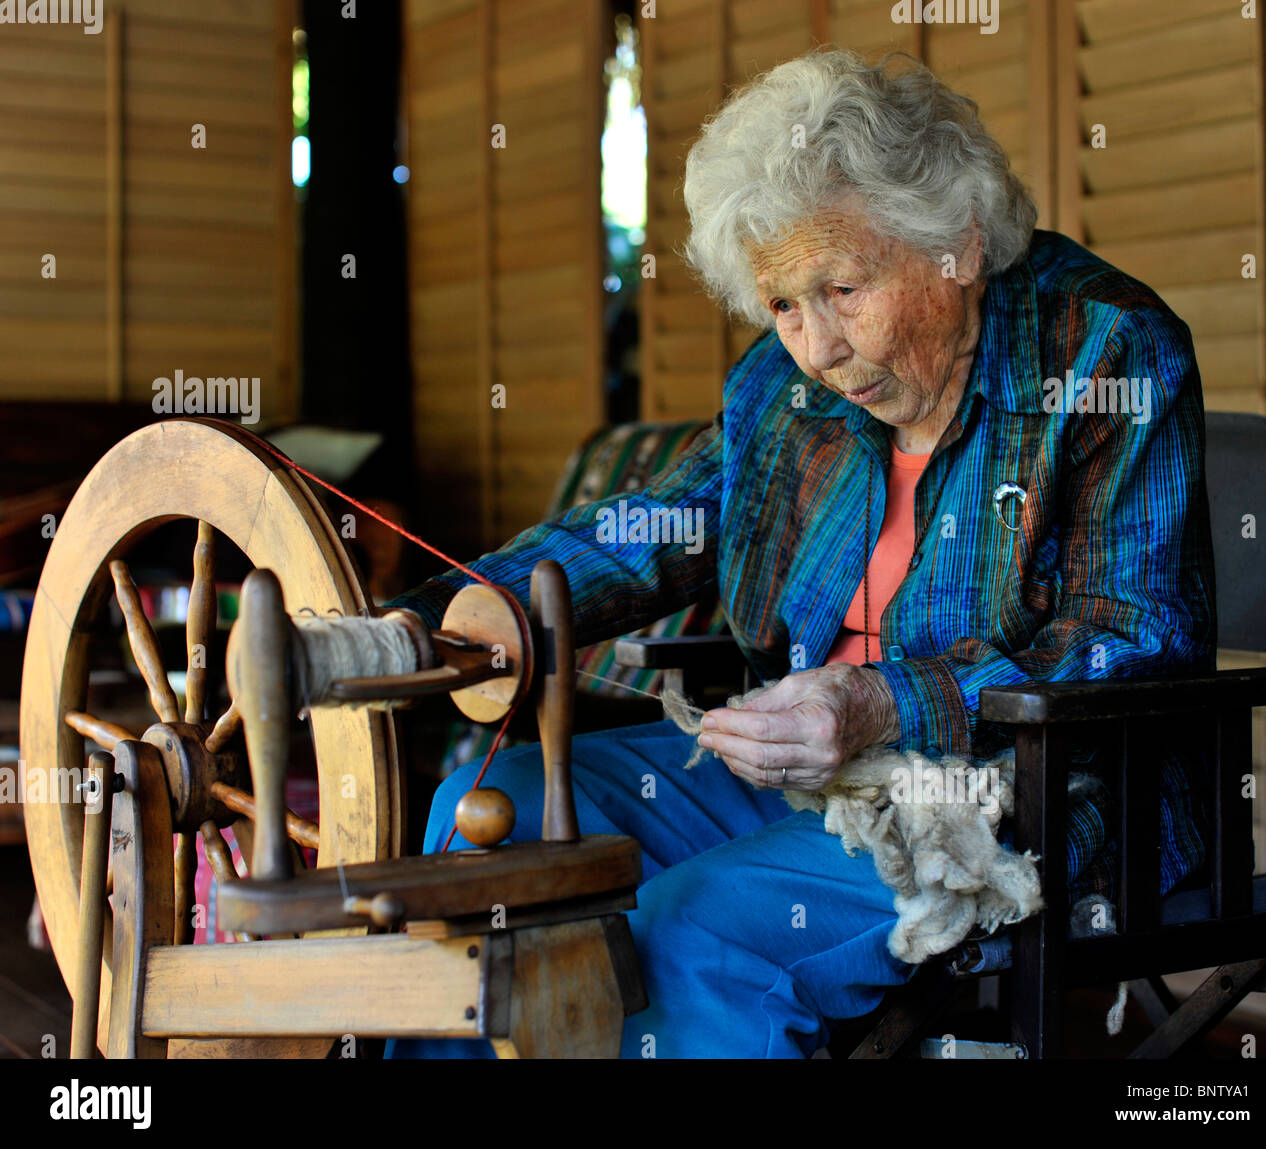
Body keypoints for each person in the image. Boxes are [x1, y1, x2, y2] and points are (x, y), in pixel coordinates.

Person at [385, 48, 1215, 1058]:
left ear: (954, 243)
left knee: (697, 927)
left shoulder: (1104, 354)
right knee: (494, 820)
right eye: (782, 304)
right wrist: (456, 610)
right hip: (814, 777)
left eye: (844, 290)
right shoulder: (787, 393)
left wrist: (877, 703)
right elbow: (664, 524)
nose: (815, 349)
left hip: (1032, 784)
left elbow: (1128, 639)